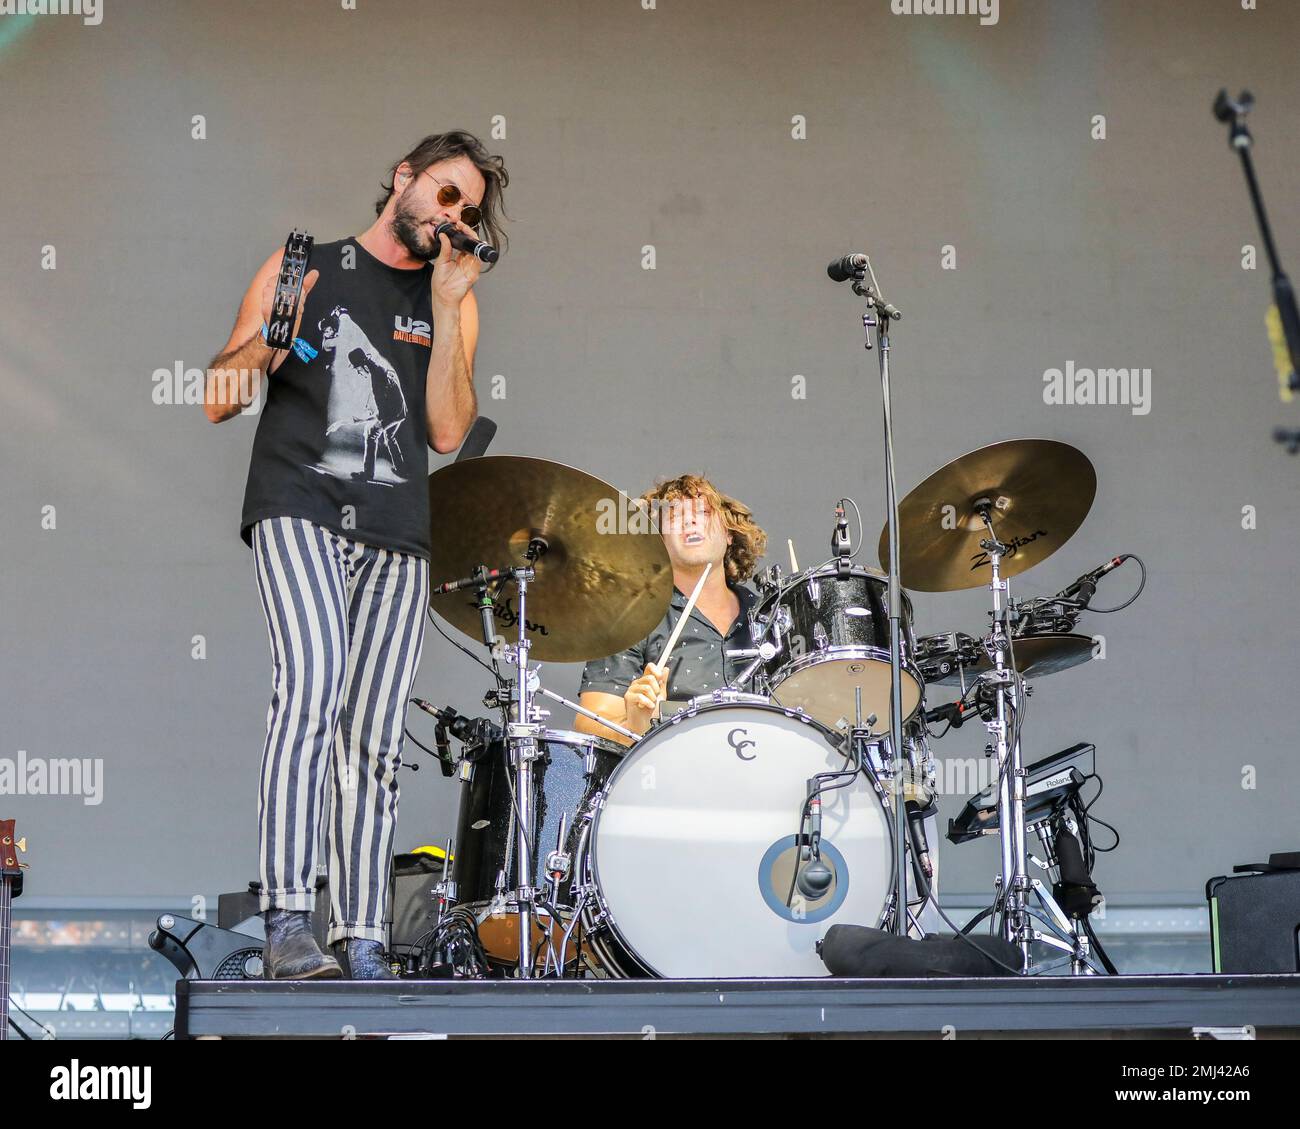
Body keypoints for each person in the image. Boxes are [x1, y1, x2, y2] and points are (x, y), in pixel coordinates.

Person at [204, 130, 508, 979]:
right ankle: (289, 920)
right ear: (404, 180)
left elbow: (448, 431)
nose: (455, 217)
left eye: (470, 211)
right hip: (300, 508)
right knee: (309, 687)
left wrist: (449, 305)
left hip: (396, 529)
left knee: (373, 735)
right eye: (445, 195)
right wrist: (273, 335)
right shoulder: (305, 265)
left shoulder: (454, 299)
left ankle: (363, 935)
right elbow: (216, 399)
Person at [575, 475, 768, 745]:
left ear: (728, 533)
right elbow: (588, 723)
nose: (690, 520)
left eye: (703, 511)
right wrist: (636, 725)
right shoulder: (630, 616)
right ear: (660, 541)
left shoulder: (769, 616)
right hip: (671, 778)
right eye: (675, 515)